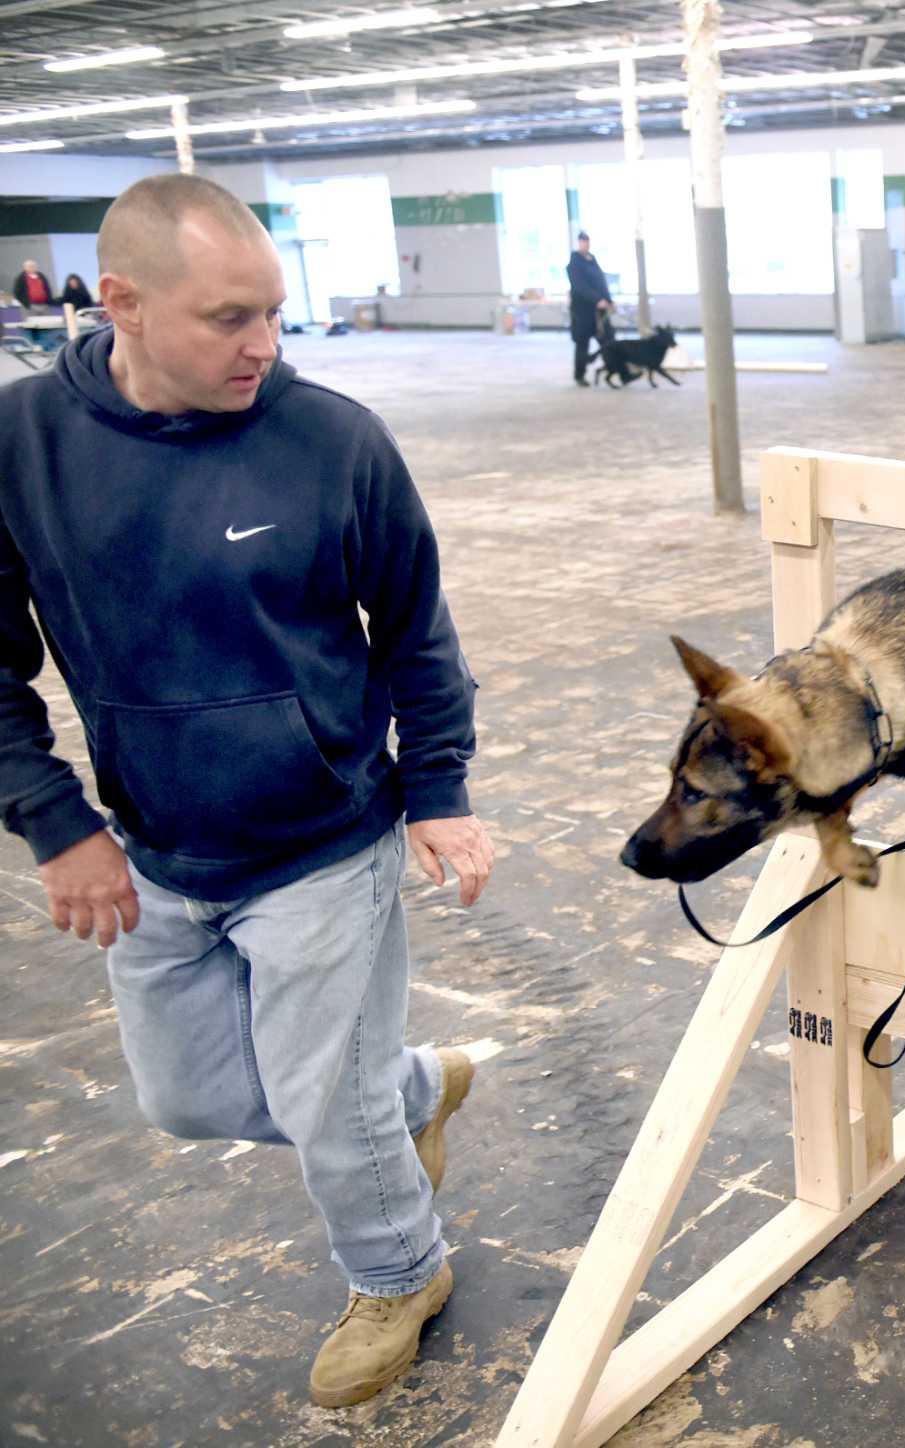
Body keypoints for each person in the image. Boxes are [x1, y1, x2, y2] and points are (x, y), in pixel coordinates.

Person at [0, 174, 495, 1409]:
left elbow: (416, 629)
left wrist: (434, 785)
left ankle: (400, 1271)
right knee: (189, 1097)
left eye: (273, 311)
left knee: (327, 1106)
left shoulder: (333, 438)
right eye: (229, 317)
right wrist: (59, 825)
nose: (263, 345)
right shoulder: (23, 446)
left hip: (325, 836)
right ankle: (415, 1090)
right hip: (156, 847)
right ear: (119, 303)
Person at [566, 229, 612, 387]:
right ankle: (579, 375)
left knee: (609, 341)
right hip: (582, 312)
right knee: (582, 344)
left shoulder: (593, 260)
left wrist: (608, 300)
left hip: (600, 312)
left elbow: (601, 281)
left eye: (587, 241)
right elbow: (580, 287)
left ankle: (620, 370)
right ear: (579, 243)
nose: (586, 244)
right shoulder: (574, 264)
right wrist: (597, 300)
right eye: (583, 241)